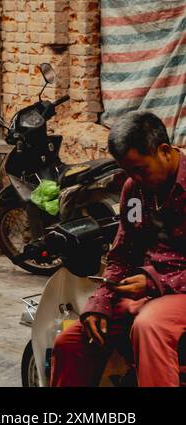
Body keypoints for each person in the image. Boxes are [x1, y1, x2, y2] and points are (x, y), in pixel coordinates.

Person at [51, 111, 186, 387]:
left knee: (150, 325)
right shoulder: (133, 190)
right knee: (71, 340)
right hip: (148, 294)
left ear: (164, 150)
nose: (135, 178)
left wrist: (154, 282)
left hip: (175, 293)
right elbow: (122, 254)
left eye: (141, 169)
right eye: (127, 171)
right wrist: (100, 303)